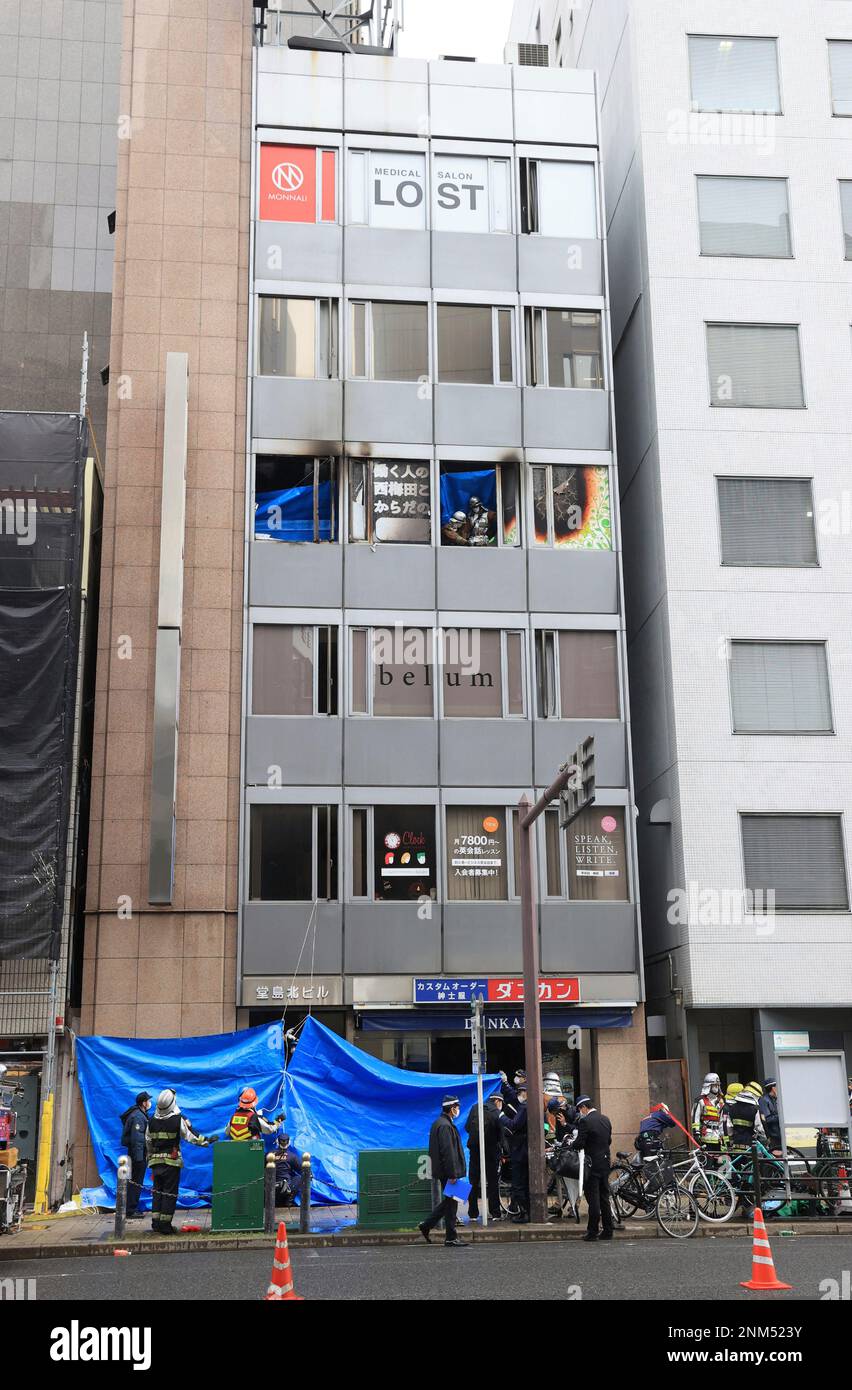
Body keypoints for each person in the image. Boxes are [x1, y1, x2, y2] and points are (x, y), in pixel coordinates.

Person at [146, 1089, 215, 1236]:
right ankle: (165, 1225)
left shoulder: (151, 1120)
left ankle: (156, 1223)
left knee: (157, 1192)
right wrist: (206, 1141)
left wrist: (151, 1156)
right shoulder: (178, 1120)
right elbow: (190, 1136)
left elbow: (148, 1141)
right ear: (172, 1103)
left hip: (155, 1162)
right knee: (169, 1193)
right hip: (171, 1163)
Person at [419, 1095, 470, 1248]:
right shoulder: (445, 1126)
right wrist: (453, 1174)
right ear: (451, 1108)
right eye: (457, 1107)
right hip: (449, 1172)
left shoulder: (439, 1123)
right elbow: (448, 1152)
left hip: (445, 1171)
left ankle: (428, 1225)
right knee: (452, 1203)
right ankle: (450, 1237)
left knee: (451, 1201)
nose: (458, 1110)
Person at [572, 1095, 613, 1242]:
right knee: (604, 1197)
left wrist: (571, 1144)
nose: (580, 1112)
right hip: (605, 1163)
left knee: (593, 1199)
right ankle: (608, 1230)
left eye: (579, 1109)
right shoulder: (605, 1119)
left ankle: (592, 1231)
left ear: (584, 1107)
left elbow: (580, 1143)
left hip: (592, 1164)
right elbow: (609, 1140)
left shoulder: (585, 1121)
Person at [465, 1092, 506, 1221]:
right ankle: (495, 1213)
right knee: (492, 1182)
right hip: (491, 1151)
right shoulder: (497, 1113)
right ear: (498, 1101)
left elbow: (467, 1127)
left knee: (473, 1181)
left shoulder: (474, 1108)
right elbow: (502, 1134)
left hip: (474, 1149)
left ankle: (472, 1214)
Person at [119, 1091, 152, 1219]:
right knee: (135, 1182)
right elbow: (137, 1139)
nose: (150, 1103)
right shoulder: (138, 1116)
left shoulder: (139, 1114)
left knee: (134, 1182)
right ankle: (131, 1210)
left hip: (136, 1153)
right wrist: (139, 1159)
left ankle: (130, 1208)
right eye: (148, 1101)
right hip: (137, 1154)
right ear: (144, 1103)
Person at [502, 1079, 530, 1223]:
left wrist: (502, 1117)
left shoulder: (524, 1108)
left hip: (520, 1151)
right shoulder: (537, 1106)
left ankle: (525, 1213)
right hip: (530, 1151)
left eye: (521, 1092)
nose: (519, 1095)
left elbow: (513, 1124)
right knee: (526, 1183)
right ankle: (526, 1212)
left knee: (518, 1184)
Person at [691, 1072, 725, 1158]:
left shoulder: (721, 1101)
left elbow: (722, 1121)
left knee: (719, 1163)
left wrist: (724, 1136)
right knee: (707, 1163)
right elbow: (695, 1117)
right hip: (706, 1137)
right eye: (714, 1085)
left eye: (718, 1085)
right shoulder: (700, 1100)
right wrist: (696, 1133)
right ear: (708, 1086)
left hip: (718, 1138)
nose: (717, 1087)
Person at [727, 1081, 765, 1152]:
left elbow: (729, 1127)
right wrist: (764, 1138)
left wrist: (731, 1139)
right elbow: (759, 1128)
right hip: (750, 1146)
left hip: (736, 1143)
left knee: (737, 1162)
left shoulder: (732, 1108)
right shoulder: (755, 1109)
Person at [273, 1134, 303, 1207]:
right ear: (289, 1142)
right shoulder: (292, 1156)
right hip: (286, 1188)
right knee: (298, 1178)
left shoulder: (269, 1154)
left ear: (277, 1142)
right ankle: (289, 1201)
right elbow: (303, 1169)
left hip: (271, 1187)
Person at [759, 1078, 782, 1153]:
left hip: (778, 1136)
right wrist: (781, 1116)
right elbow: (766, 1119)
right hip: (772, 1138)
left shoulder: (774, 1099)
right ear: (773, 1088)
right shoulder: (764, 1100)